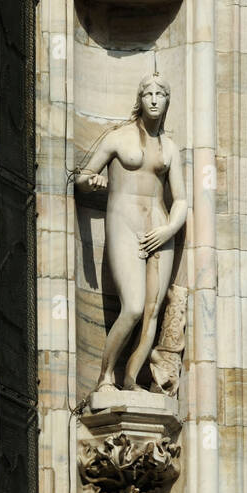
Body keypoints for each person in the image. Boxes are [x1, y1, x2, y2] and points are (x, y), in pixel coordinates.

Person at [76, 75, 188, 391]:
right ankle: (105, 377)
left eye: (160, 94)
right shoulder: (118, 138)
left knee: (152, 313)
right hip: (124, 223)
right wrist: (91, 182)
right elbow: (83, 176)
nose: (154, 99)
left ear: (167, 101)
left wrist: (168, 230)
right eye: (148, 93)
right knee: (135, 306)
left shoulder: (170, 148)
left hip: (159, 227)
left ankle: (130, 378)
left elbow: (180, 199)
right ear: (140, 100)